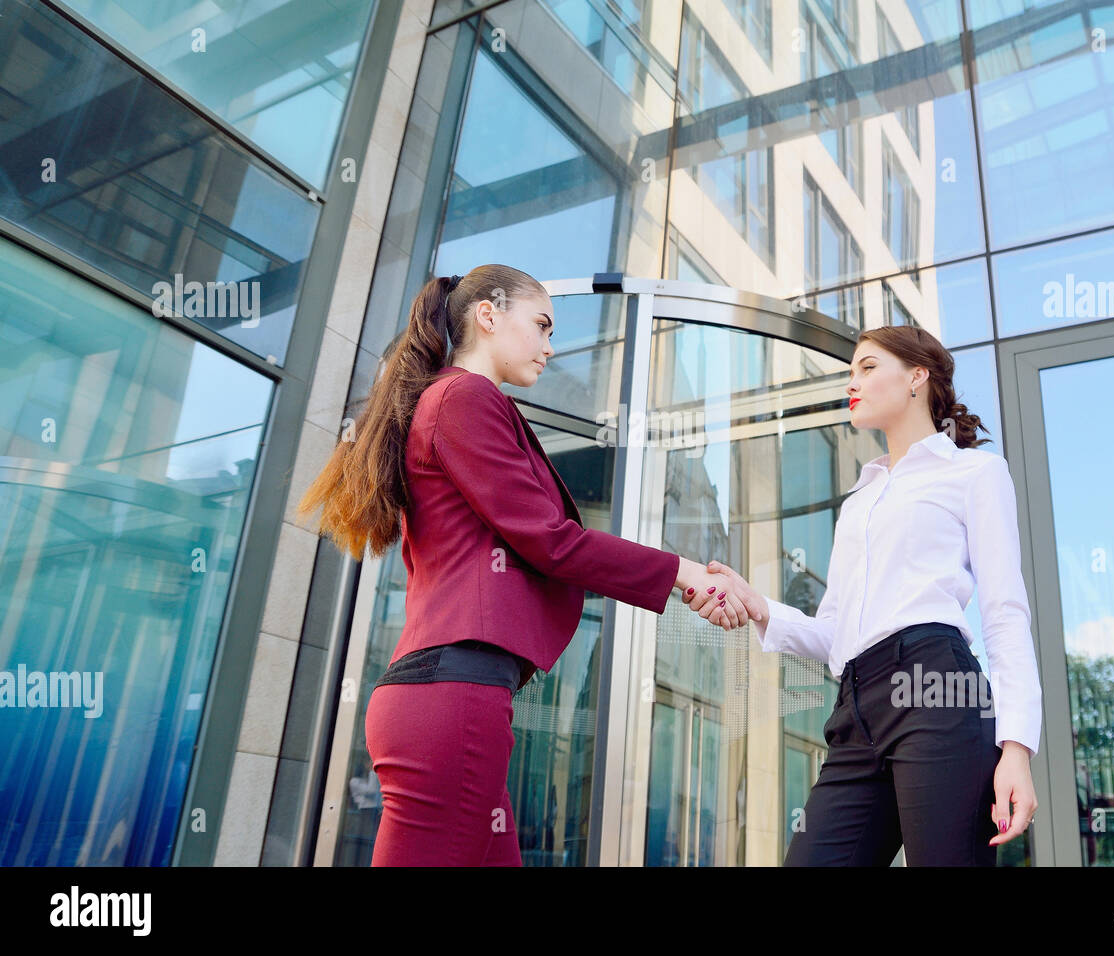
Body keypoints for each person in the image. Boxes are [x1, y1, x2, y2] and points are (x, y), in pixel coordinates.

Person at [296, 264, 760, 865]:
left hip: (450, 697)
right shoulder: (463, 397)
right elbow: (552, 541)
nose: (549, 345)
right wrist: (682, 572)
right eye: (540, 326)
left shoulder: (452, 402)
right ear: (487, 316)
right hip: (451, 699)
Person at [690, 324, 1042, 865]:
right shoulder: (861, 498)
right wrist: (760, 606)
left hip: (935, 688)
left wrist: (1016, 748)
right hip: (855, 706)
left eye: (868, 367)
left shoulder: (975, 473)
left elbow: (1005, 614)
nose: (851, 381)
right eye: (850, 371)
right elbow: (835, 632)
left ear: (917, 377)